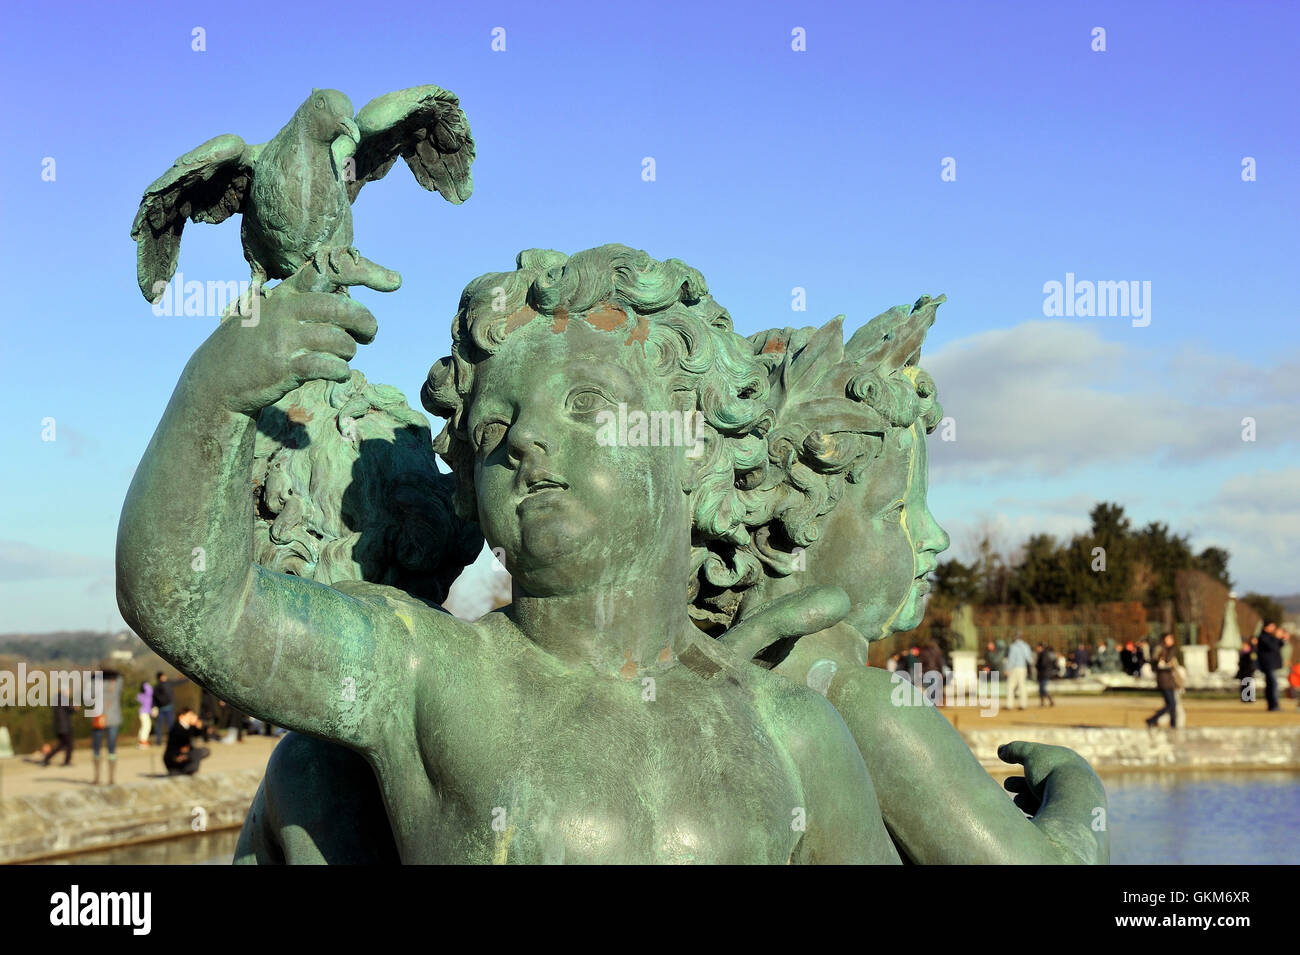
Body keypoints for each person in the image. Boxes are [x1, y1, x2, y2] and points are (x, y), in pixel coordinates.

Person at [91, 669, 123, 784]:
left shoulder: (95, 682)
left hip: (99, 717)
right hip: (113, 717)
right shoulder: (117, 681)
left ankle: (97, 777)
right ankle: (111, 778)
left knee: (96, 748)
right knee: (111, 748)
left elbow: (90, 694)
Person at [1145, 632, 1183, 728]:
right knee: (1171, 704)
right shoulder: (1161, 649)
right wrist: (1166, 664)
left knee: (1172, 705)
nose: (1171, 641)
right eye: (1169, 638)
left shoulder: (1169, 649)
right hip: (1165, 680)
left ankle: (1173, 725)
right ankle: (1152, 719)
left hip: (1170, 680)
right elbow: (1158, 663)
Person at [163, 709, 210, 775]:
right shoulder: (176, 727)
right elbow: (184, 736)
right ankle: (182, 770)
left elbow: (199, 734)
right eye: (189, 715)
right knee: (197, 752)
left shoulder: (189, 727)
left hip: (184, 754)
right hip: (173, 757)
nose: (192, 717)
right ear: (181, 717)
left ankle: (184, 770)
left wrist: (199, 727)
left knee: (204, 751)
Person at [1257, 621, 1289, 712]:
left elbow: (1279, 645)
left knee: (1272, 684)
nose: (1273, 629)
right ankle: (1273, 705)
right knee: (1273, 685)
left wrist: (1283, 639)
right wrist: (1278, 637)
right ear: (1266, 627)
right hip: (1268, 664)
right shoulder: (1263, 637)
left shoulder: (1269, 637)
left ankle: (1273, 705)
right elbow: (1273, 646)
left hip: (1271, 664)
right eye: (1272, 627)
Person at [41, 692, 77, 767]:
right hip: (65, 726)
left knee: (61, 745)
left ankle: (47, 758)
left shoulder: (56, 699)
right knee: (69, 745)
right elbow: (71, 709)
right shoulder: (64, 699)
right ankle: (66, 762)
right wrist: (75, 708)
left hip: (58, 726)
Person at [1005, 633, 1033, 709]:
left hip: (1014, 668)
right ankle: (1023, 704)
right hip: (1023, 668)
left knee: (1010, 686)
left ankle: (1009, 704)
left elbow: (1011, 659)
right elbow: (1029, 658)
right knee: (1022, 686)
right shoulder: (1026, 646)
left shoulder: (1013, 647)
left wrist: (1007, 669)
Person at [136, 680, 153, 747]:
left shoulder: (141, 695)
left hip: (144, 712)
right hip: (144, 713)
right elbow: (150, 690)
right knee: (146, 727)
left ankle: (141, 741)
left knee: (144, 727)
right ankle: (143, 742)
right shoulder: (146, 695)